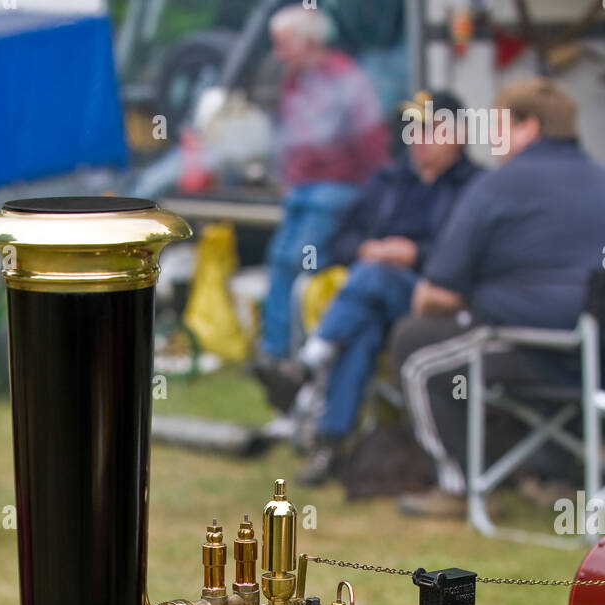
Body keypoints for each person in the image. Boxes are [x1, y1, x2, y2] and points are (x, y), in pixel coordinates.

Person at [390, 78, 605, 517]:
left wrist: (436, 303)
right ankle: (552, 475)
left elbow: (439, 292)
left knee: (415, 345)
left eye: (500, 124)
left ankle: (463, 487)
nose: (494, 138)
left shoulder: (499, 186)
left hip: (537, 344)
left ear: (528, 126)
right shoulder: (598, 178)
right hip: (593, 354)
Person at [272, 90, 479, 484]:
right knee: (362, 329)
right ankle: (332, 443)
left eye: (430, 129)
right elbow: (337, 242)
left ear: (459, 134)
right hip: (372, 301)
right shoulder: (387, 180)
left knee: (375, 275)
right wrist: (367, 248)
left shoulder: (474, 187)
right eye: (413, 129)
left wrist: (413, 253)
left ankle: (309, 361)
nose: (418, 140)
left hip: (434, 300)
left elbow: (469, 256)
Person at [255, 4, 390, 367]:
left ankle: (295, 353)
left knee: (298, 261)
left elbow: (371, 141)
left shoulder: (347, 79)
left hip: (336, 189)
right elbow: (288, 136)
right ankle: (275, 350)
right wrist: (286, 176)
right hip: (302, 188)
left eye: (283, 44)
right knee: (278, 259)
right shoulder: (294, 80)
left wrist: (375, 192)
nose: (277, 54)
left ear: (309, 42)